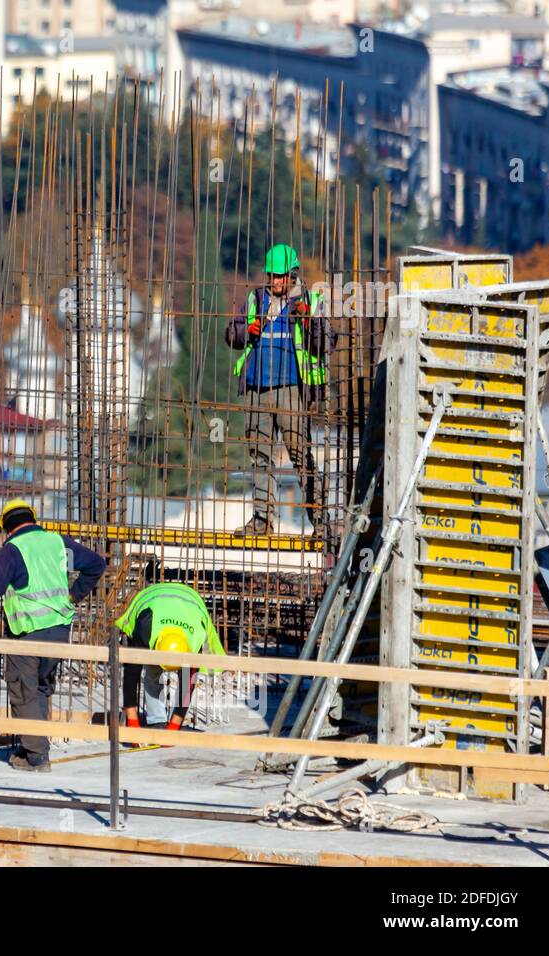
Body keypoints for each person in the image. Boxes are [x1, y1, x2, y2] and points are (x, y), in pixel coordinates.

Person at [0, 499, 107, 772]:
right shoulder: (57, 543)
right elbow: (97, 564)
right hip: (60, 630)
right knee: (40, 688)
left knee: (23, 691)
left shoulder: (11, 551)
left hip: (29, 633)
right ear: (33, 519)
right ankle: (33, 746)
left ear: (6, 528)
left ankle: (37, 757)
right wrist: (75, 594)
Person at [225, 243, 331, 536]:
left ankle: (322, 522)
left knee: (300, 457)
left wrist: (309, 322)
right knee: (260, 458)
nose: (275, 281)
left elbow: (326, 344)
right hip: (257, 388)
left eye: (281, 276)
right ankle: (262, 521)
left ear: (293, 274)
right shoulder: (255, 299)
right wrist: (247, 331)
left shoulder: (309, 300)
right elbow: (231, 335)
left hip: (292, 390)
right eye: (272, 275)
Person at [115, 579, 224, 731]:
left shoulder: (195, 640)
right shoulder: (146, 627)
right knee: (153, 672)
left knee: (186, 676)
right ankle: (156, 720)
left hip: (189, 601)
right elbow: (131, 673)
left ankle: (167, 722)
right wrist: (133, 723)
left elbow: (188, 684)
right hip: (151, 600)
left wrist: (174, 726)